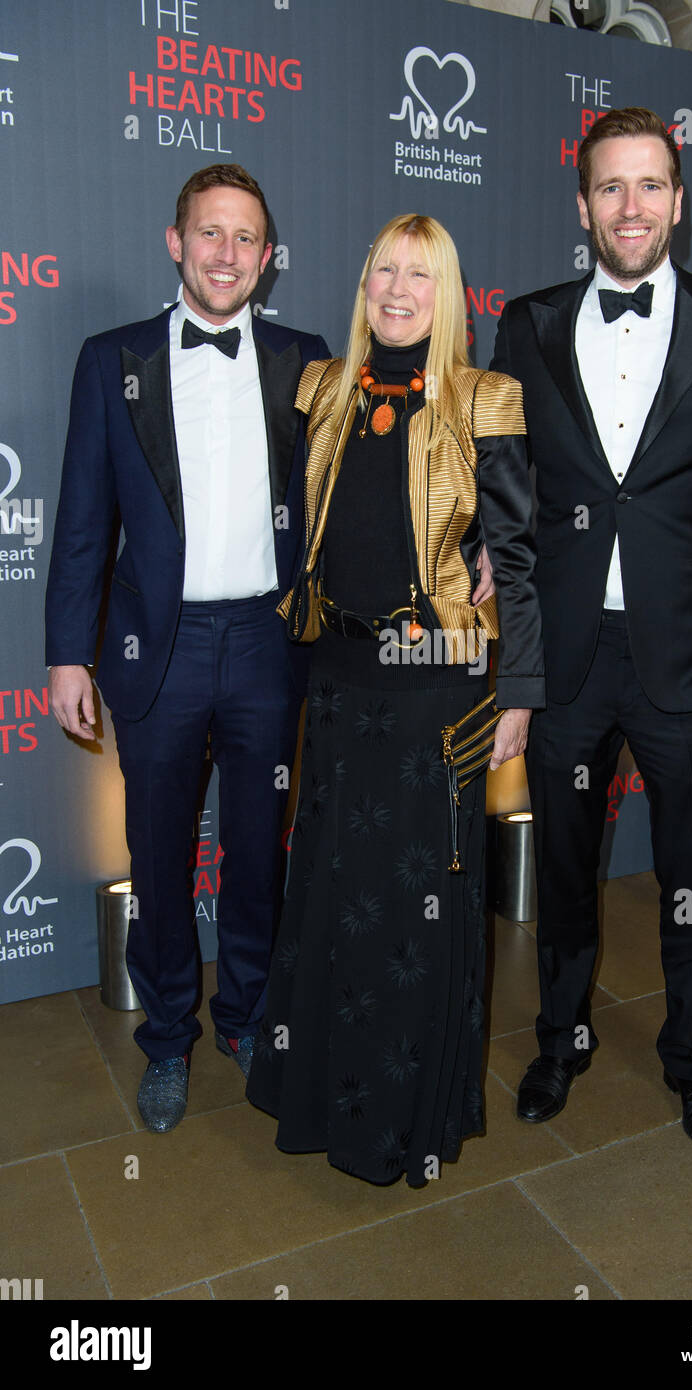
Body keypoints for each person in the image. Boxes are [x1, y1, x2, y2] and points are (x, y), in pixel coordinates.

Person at [492, 108, 692, 1154]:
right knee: (568, 871)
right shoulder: (525, 325)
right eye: (609, 188)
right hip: (572, 660)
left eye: (650, 186)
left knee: (691, 877)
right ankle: (560, 1037)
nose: (630, 207)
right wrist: (521, 658)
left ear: (677, 199)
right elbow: (510, 508)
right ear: (580, 204)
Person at [245, 213, 545, 1186]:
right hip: (335, 682)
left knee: (417, 911)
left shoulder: (482, 397)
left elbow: (523, 562)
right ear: (363, 279)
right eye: (385, 269)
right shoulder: (321, 387)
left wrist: (522, 691)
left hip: (434, 691)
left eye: (421, 273)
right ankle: (320, 1093)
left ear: (448, 290)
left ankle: (404, 1120)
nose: (398, 288)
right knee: (336, 894)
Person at [45, 164, 328, 1133]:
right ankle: (168, 1034)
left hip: (264, 642)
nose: (226, 253)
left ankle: (246, 1015)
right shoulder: (110, 358)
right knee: (159, 854)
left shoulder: (306, 359)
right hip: (150, 646)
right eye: (209, 233)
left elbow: (349, 503)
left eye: (245, 238)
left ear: (266, 256)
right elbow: (83, 518)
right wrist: (66, 654)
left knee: (258, 850)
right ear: (176, 243)